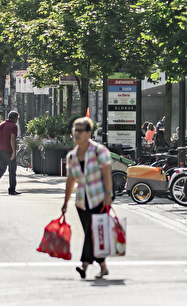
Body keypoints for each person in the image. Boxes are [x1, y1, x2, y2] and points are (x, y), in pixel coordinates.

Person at [61, 117, 113, 279]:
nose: (76, 133)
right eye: (75, 130)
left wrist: (108, 194)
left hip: (99, 198)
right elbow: (71, 180)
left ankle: (84, 265)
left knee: (91, 232)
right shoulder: (72, 156)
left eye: (80, 130)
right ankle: (103, 267)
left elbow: (106, 174)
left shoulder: (99, 151)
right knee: (92, 235)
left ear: (89, 133)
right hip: (82, 201)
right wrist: (65, 201)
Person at [0, 110, 19, 195]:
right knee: (12, 171)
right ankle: (12, 190)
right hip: (8, 150)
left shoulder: (1, 125)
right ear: (15, 118)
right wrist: (13, 152)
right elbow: (12, 139)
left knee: (2, 169)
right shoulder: (13, 126)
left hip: (0, 150)